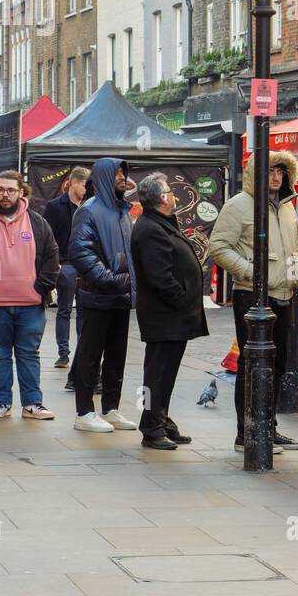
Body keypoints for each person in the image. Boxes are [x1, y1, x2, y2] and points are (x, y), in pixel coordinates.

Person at [207, 150, 298, 454]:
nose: (276, 177)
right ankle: (246, 432)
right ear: (255, 174)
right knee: (252, 364)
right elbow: (218, 247)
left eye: (280, 171)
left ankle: (268, 426)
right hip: (252, 295)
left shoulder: (288, 206)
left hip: (285, 294)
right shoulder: (238, 206)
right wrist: (253, 272)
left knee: (278, 364)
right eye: (269, 171)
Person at [0, 169, 59, 421]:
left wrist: (41, 287)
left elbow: (52, 256)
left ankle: (32, 403)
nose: (5, 195)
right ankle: (1, 401)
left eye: (10, 190)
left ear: (21, 192)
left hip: (30, 304)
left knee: (29, 354)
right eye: (1, 189)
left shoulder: (38, 223)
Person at [131, 173, 208, 449]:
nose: (174, 195)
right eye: (170, 191)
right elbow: (159, 276)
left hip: (173, 315)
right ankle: (151, 427)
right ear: (162, 198)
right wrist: (181, 298)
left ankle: (159, 419)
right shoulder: (151, 228)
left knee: (165, 374)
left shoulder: (160, 223)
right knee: (155, 375)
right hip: (165, 315)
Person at [69, 157, 138, 433]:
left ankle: (111, 408)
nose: (122, 178)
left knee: (116, 355)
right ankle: (84, 412)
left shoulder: (121, 210)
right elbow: (81, 251)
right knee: (90, 354)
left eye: (125, 172)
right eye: (118, 173)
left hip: (120, 295)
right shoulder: (90, 210)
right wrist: (109, 279)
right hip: (99, 294)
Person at [45, 166, 89, 370]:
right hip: (66, 263)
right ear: (73, 183)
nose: (86, 189)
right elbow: (48, 236)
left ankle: (82, 351)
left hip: (86, 265)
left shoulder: (89, 205)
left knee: (83, 311)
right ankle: (63, 353)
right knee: (64, 310)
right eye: (84, 185)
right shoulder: (55, 206)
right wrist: (57, 264)